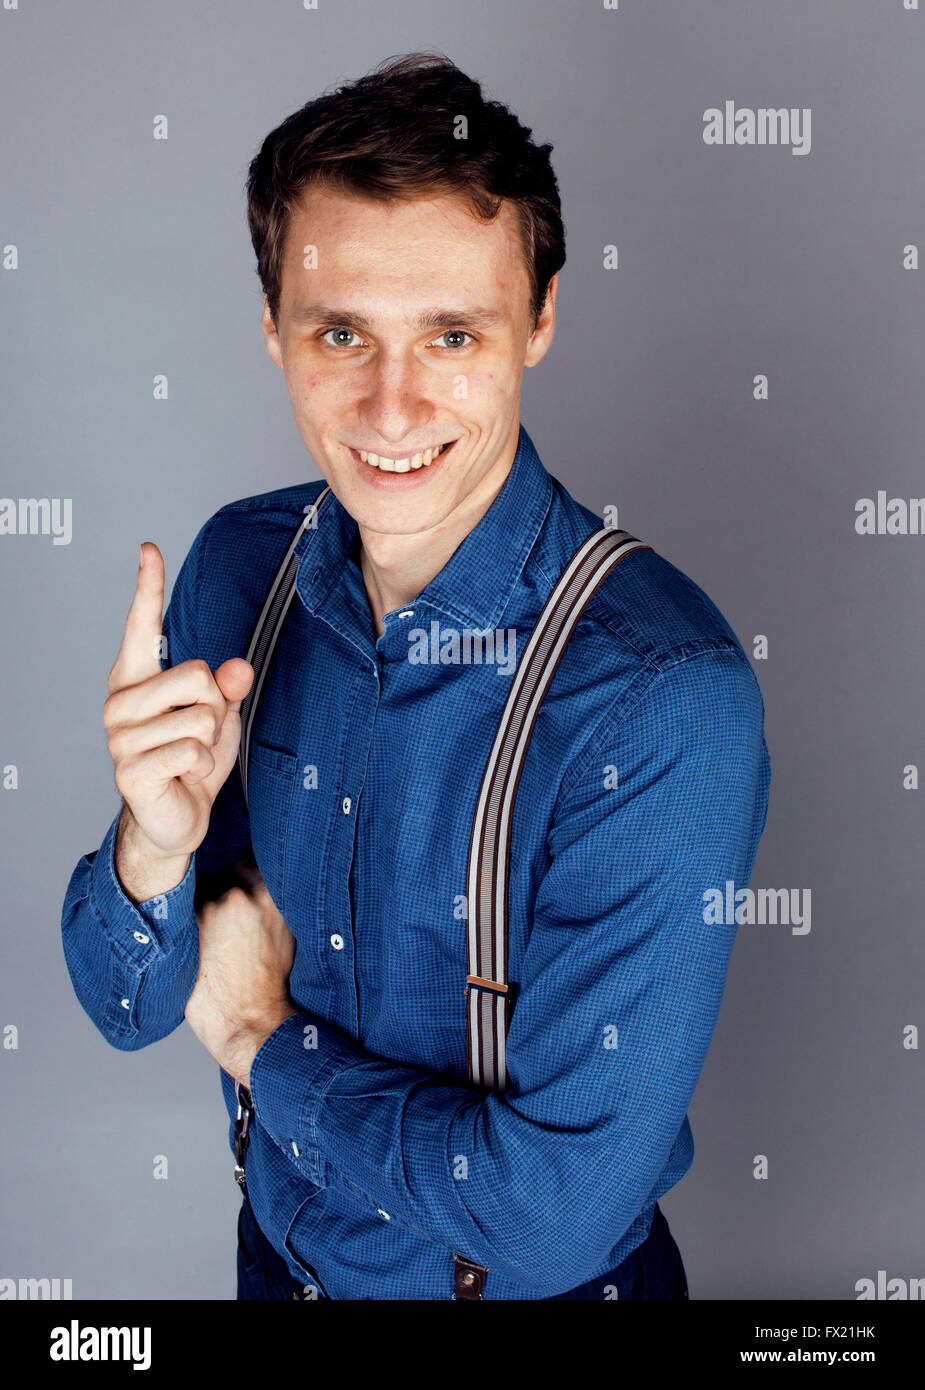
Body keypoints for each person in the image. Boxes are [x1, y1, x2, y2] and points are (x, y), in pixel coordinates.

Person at [61, 51, 771, 1300]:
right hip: (273, 1271)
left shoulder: (662, 696)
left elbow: (547, 1218)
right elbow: (126, 1009)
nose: (392, 409)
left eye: (452, 333)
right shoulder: (238, 566)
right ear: (272, 325)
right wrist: (152, 852)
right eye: (341, 332)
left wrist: (257, 1042)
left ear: (541, 318)